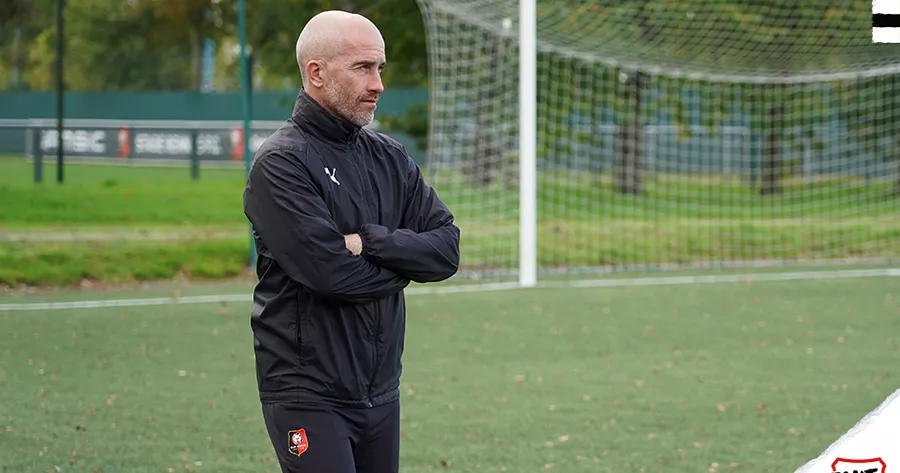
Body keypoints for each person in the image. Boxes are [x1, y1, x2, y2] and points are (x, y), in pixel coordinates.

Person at [242, 9, 461, 473]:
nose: (378, 83)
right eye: (363, 67)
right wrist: (407, 262)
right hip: (307, 393)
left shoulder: (389, 156)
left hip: (381, 389)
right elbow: (333, 275)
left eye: (380, 68)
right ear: (316, 73)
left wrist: (370, 240)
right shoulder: (282, 164)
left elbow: (446, 250)